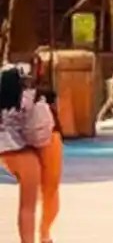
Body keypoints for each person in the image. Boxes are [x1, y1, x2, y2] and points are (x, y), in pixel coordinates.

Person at [0, 64, 62, 243]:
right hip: (32, 139)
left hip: (16, 141)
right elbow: (41, 134)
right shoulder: (33, 100)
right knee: (43, 193)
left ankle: (42, 234)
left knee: (44, 192)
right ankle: (42, 234)